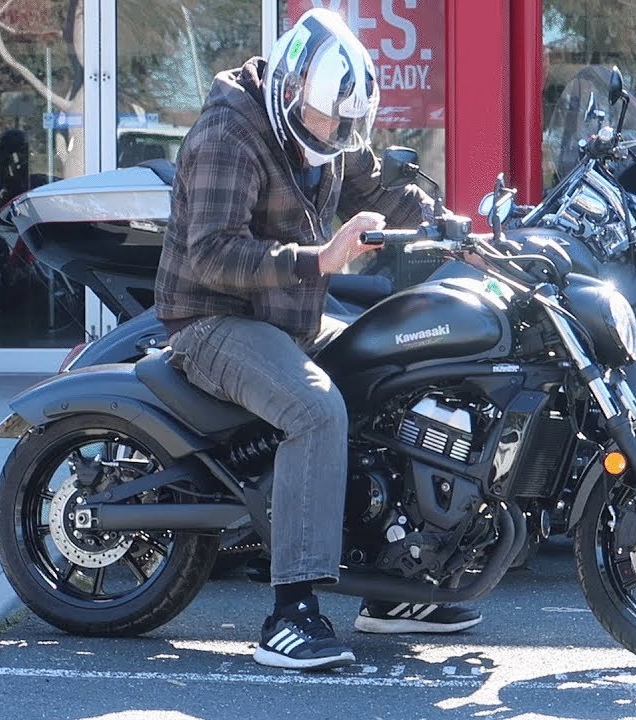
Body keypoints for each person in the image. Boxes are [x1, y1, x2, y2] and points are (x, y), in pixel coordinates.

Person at [153, 8, 482, 672]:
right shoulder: (229, 134)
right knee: (315, 409)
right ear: (290, 88)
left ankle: (389, 587)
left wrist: (460, 232)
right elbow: (212, 254)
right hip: (213, 320)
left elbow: (381, 189)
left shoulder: (331, 120)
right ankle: (289, 613)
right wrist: (319, 260)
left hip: (286, 317)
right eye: (321, 123)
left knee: (399, 370)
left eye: (341, 126)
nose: (329, 136)